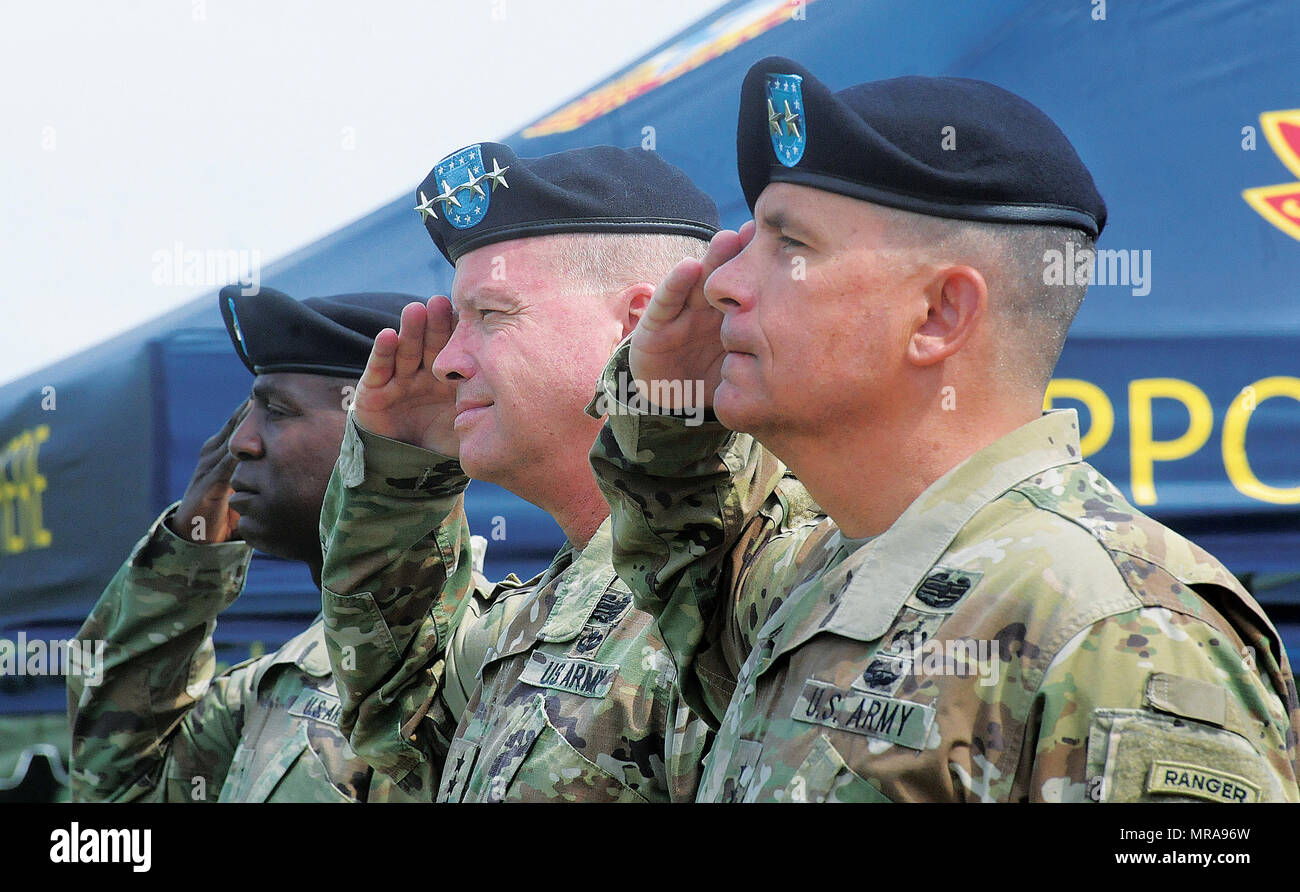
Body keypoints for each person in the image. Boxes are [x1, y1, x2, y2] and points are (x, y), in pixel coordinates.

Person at [589, 56, 1300, 802]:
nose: (720, 281)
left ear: (938, 315)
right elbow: (688, 578)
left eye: (790, 246)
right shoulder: (829, 574)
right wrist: (666, 403)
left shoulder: (1113, 629)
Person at [319, 142, 815, 801]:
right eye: (456, 321)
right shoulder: (546, 610)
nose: (447, 362)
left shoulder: (775, 580)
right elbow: (400, 744)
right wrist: (398, 484)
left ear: (636, 325)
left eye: (491, 314)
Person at [67, 285, 479, 802]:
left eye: (277, 411)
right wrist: (183, 564)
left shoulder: (487, 651)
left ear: (383, 427)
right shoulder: (279, 683)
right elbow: (117, 795)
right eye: (246, 415)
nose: (241, 442)